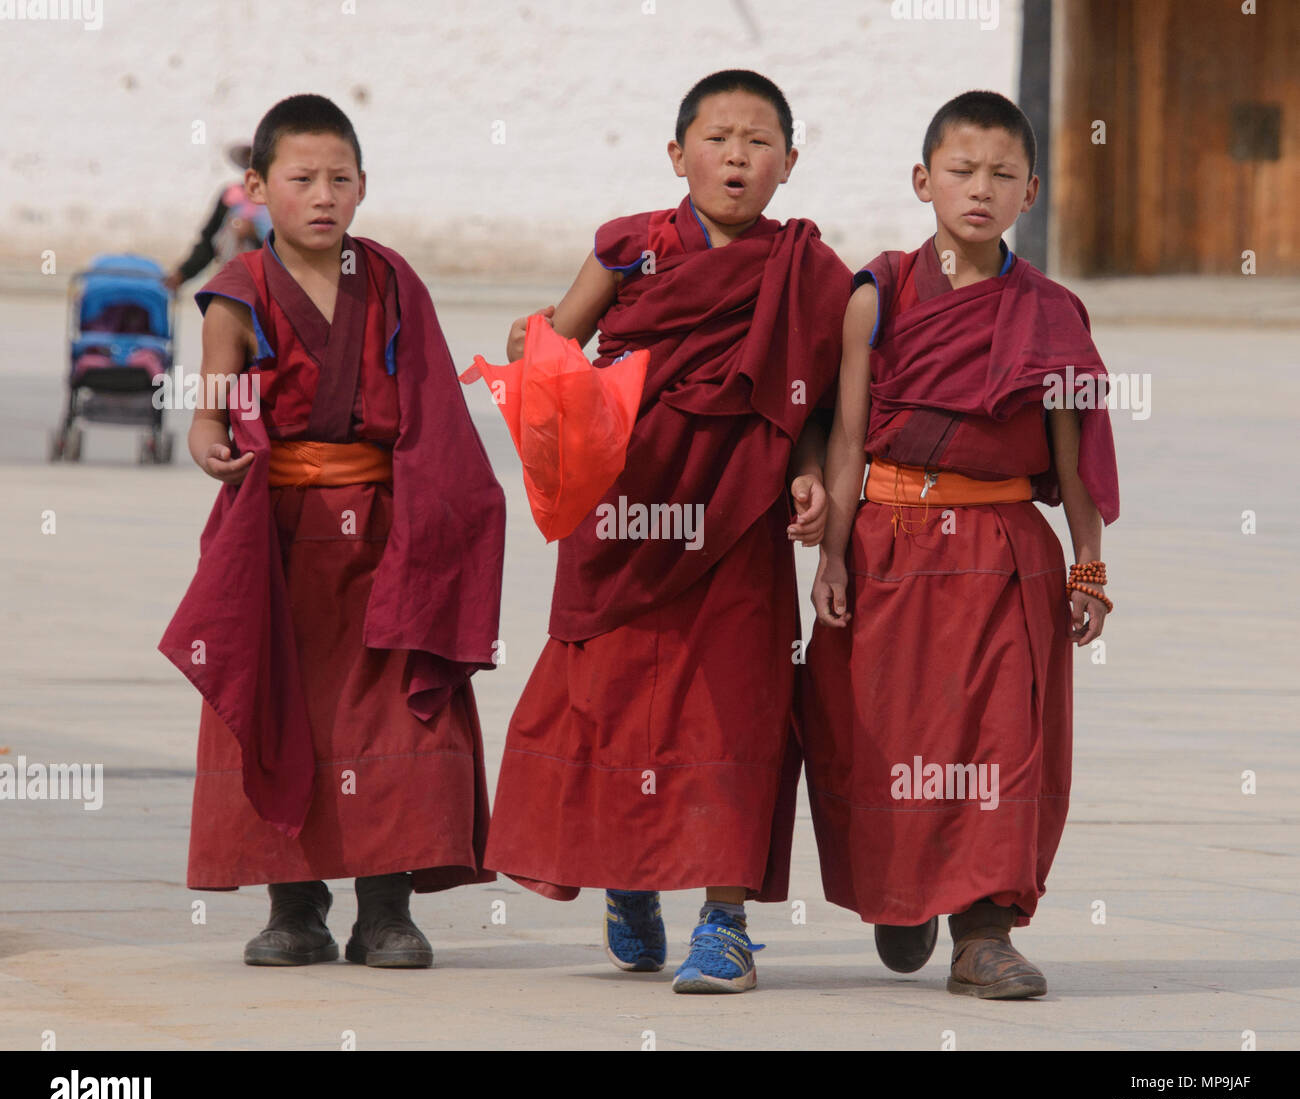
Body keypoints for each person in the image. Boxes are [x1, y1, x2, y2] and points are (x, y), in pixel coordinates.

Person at [483, 70, 850, 994]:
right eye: (718, 137)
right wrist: (538, 359)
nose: (737, 155)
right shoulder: (628, 250)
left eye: (759, 141)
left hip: (738, 514)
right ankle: (627, 877)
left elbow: (809, 396)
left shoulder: (807, 270)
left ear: (790, 163)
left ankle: (723, 923)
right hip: (627, 511)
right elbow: (555, 347)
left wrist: (808, 472)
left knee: (737, 706)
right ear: (677, 153)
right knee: (610, 705)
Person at [158, 94, 507, 968]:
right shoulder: (238, 293)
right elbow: (216, 411)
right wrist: (210, 447)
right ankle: (295, 909)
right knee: (285, 710)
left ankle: (386, 909)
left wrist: (444, 522)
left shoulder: (388, 282)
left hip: (390, 536)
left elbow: (432, 407)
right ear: (256, 188)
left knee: (396, 715)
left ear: (363, 188)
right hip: (279, 540)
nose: (322, 196)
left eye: (339, 179)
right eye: (301, 178)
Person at [804, 90, 1120, 998]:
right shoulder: (879, 295)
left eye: (1002, 175)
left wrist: (1089, 564)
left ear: (1031, 192)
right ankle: (903, 896)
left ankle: (984, 933)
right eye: (961, 170)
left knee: (1003, 737)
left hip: (1007, 549)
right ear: (922, 180)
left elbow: (1075, 456)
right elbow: (849, 435)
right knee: (895, 730)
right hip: (893, 541)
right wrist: (830, 550)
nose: (979, 190)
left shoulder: (1051, 311)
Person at [164, 142, 271, 292]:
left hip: (267, 282)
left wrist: (254, 232)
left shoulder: (276, 200)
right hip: (232, 279)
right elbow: (208, 241)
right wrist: (182, 274)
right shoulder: (230, 197)